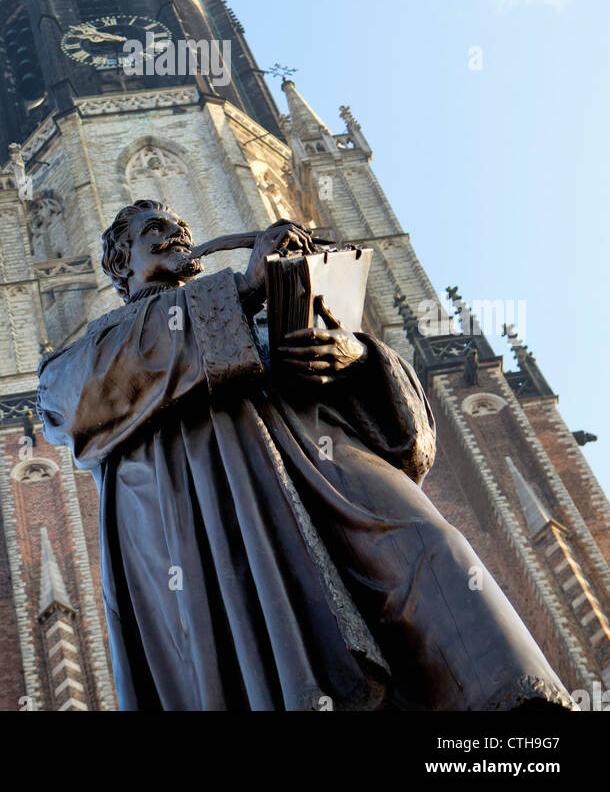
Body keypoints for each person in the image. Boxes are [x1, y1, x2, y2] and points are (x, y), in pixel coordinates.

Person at [37, 200, 575, 712]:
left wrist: (358, 357)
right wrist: (244, 288)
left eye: (179, 226)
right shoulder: (96, 343)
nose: (174, 234)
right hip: (203, 512)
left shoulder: (258, 312)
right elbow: (65, 400)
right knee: (248, 644)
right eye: (153, 231)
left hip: (327, 474)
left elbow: (404, 439)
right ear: (121, 265)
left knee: (430, 547)